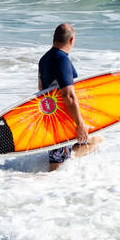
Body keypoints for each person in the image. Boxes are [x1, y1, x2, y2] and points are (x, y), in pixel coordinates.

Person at [38, 23, 93, 169]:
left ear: (54, 38)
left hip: (52, 117)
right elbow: (68, 95)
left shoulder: (43, 60)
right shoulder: (62, 60)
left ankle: (66, 171)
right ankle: (46, 184)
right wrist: (79, 123)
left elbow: (41, 90)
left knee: (96, 140)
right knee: (56, 167)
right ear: (72, 40)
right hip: (63, 120)